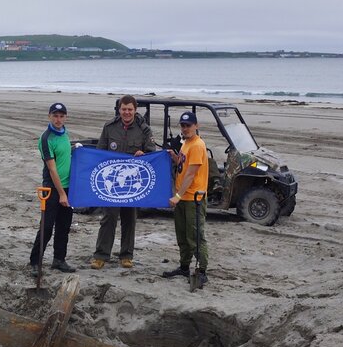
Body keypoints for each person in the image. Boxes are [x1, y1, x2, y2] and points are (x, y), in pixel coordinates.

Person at [91, 94, 157, 269]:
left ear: (135, 110)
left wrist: (144, 154)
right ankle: (101, 255)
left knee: (129, 219)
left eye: (130, 109)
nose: (126, 112)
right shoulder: (109, 127)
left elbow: (152, 154)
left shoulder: (144, 130)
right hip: (112, 183)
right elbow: (99, 153)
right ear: (119, 109)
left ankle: (126, 255)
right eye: (123, 109)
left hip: (132, 183)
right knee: (108, 218)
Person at [29, 102, 77, 275]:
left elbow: (65, 155)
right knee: (47, 226)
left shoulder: (65, 134)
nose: (58, 119)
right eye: (55, 116)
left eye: (61, 116)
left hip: (68, 187)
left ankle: (59, 259)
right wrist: (62, 194)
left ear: (65, 117)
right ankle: (35, 262)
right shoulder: (46, 138)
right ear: (49, 116)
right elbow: (52, 168)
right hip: (52, 188)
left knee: (64, 226)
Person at [163, 111, 209, 285]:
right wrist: (175, 158)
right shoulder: (186, 143)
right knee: (182, 235)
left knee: (195, 236)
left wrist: (177, 195)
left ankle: (202, 271)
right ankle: (184, 267)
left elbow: (190, 174)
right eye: (182, 125)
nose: (185, 128)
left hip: (192, 199)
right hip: (183, 198)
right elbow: (184, 166)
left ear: (196, 126)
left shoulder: (197, 145)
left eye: (188, 125)